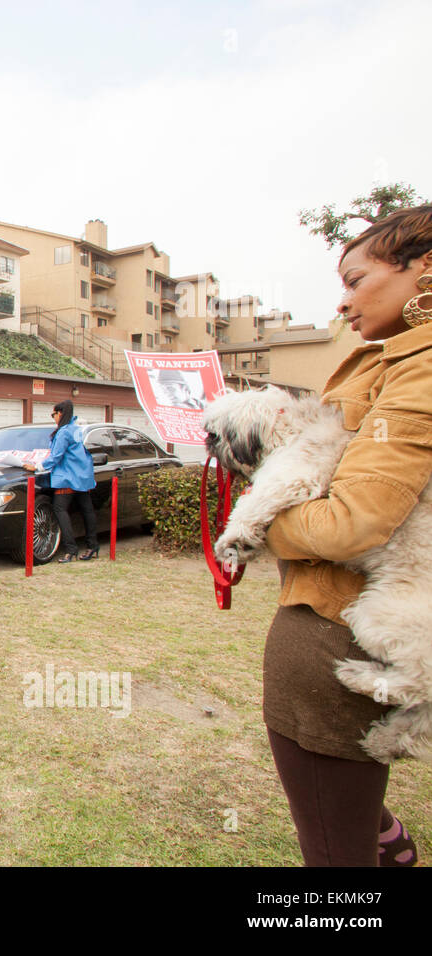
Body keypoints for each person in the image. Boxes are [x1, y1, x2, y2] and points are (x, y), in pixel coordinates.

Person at [260, 205, 432, 866]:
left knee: (333, 858)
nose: (345, 300)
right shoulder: (391, 360)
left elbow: (356, 520)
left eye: (357, 279)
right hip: (339, 627)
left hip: (336, 635)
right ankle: (389, 843)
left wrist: (262, 525)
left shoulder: (417, 369)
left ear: (423, 268)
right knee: (343, 819)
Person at [24, 399, 98, 562]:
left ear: (61, 413)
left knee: (59, 509)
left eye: (54, 414)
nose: (53, 418)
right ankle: (93, 546)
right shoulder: (76, 429)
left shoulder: (63, 432)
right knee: (87, 510)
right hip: (82, 476)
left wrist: (37, 467)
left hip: (68, 476)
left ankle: (71, 550)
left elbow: (56, 456)